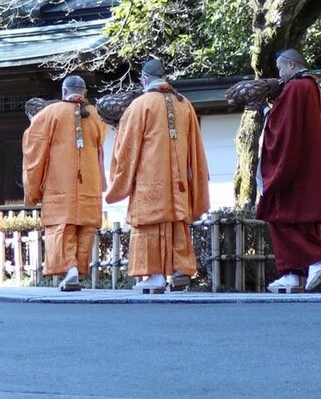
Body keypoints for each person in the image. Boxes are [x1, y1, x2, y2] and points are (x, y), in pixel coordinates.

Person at [105, 58, 209, 294]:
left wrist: (120, 180)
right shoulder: (185, 105)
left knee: (150, 226)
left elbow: (126, 150)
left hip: (150, 181)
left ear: (144, 79)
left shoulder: (140, 105)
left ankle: (155, 276)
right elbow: (196, 148)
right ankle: (180, 271)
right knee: (176, 223)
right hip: (179, 182)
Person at [257, 50, 321, 294]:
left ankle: (317, 258)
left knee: (281, 215)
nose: (279, 74)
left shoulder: (295, 89)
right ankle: (291, 275)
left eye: (280, 68)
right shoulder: (318, 91)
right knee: (303, 221)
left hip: (294, 171)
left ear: (292, 64)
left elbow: (281, 127)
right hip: (312, 170)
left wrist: (264, 111)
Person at [22, 75, 108, 292]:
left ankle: (70, 270)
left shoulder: (49, 114)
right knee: (84, 228)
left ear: (63, 92)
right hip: (89, 181)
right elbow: (100, 150)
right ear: (85, 93)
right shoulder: (98, 117)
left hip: (60, 183)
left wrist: (33, 188)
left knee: (63, 226)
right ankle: (76, 271)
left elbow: (34, 154)